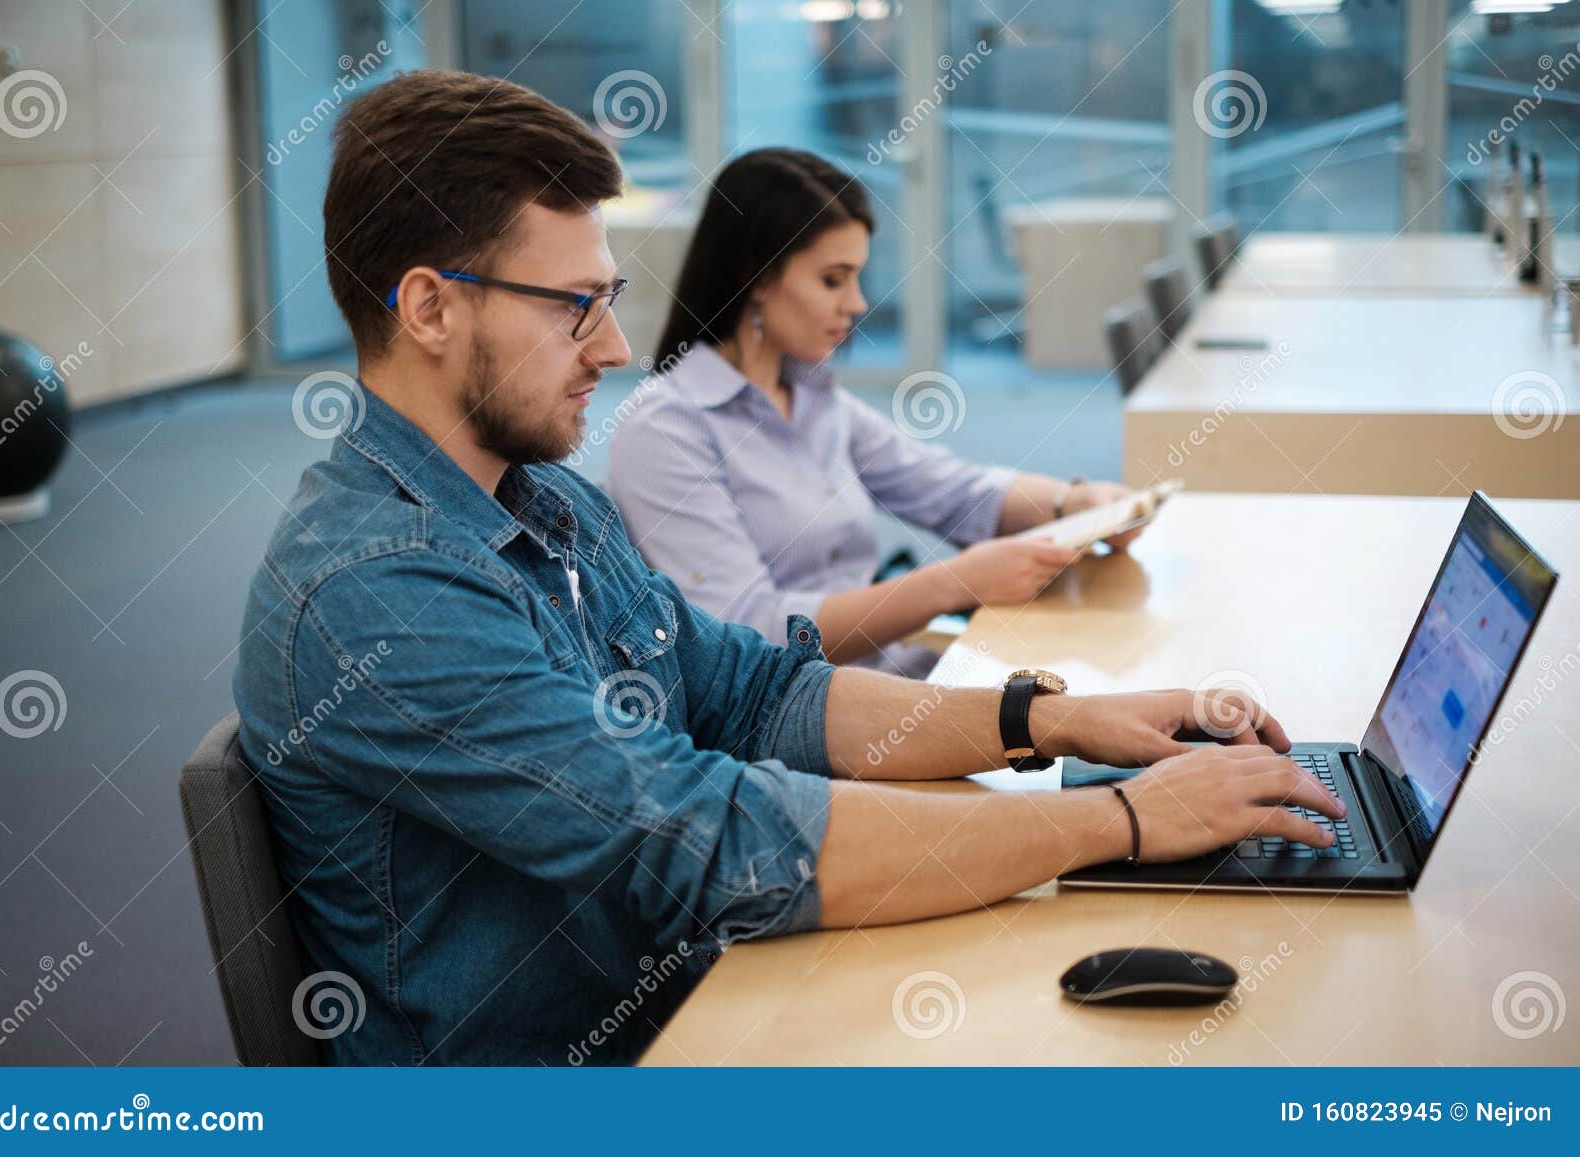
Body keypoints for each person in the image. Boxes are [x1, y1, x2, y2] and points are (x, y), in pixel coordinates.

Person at [232, 70, 1343, 1067]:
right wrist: (1126, 821)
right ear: (428, 306)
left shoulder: (546, 501)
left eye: (609, 300)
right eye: (576, 307)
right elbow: (704, 840)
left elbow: (753, 689)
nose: (614, 349)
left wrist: (1051, 720)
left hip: (691, 993)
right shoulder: (372, 594)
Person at [608, 148, 1141, 677]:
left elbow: (951, 490)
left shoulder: (813, 398)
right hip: (799, 724)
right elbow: (749, 635)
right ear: (758, 278)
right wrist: (954, 583)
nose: (857, 303)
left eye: (857, 278)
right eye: (833, 280)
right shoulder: (665, 428)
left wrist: (1077, 501)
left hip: (881, 679)